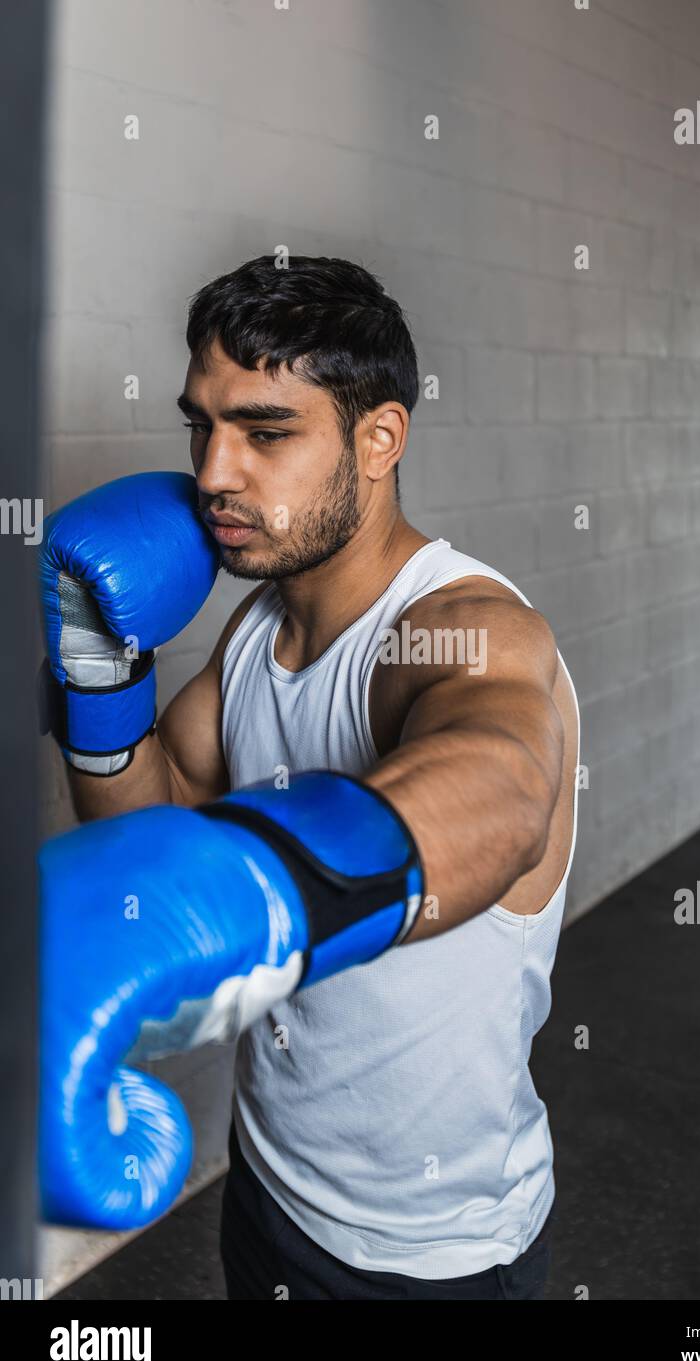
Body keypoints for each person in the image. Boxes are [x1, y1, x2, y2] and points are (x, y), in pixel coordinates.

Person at [38, 254, 580, 1300]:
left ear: (378, 438)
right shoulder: (255, 632)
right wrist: (103, 686)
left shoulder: (468, 630)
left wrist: (251, 889)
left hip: (433, 1254)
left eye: (265, 431)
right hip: (269, 1187)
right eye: (201, 425)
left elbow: (503, 784)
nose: (211, 473)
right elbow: (146, 821)